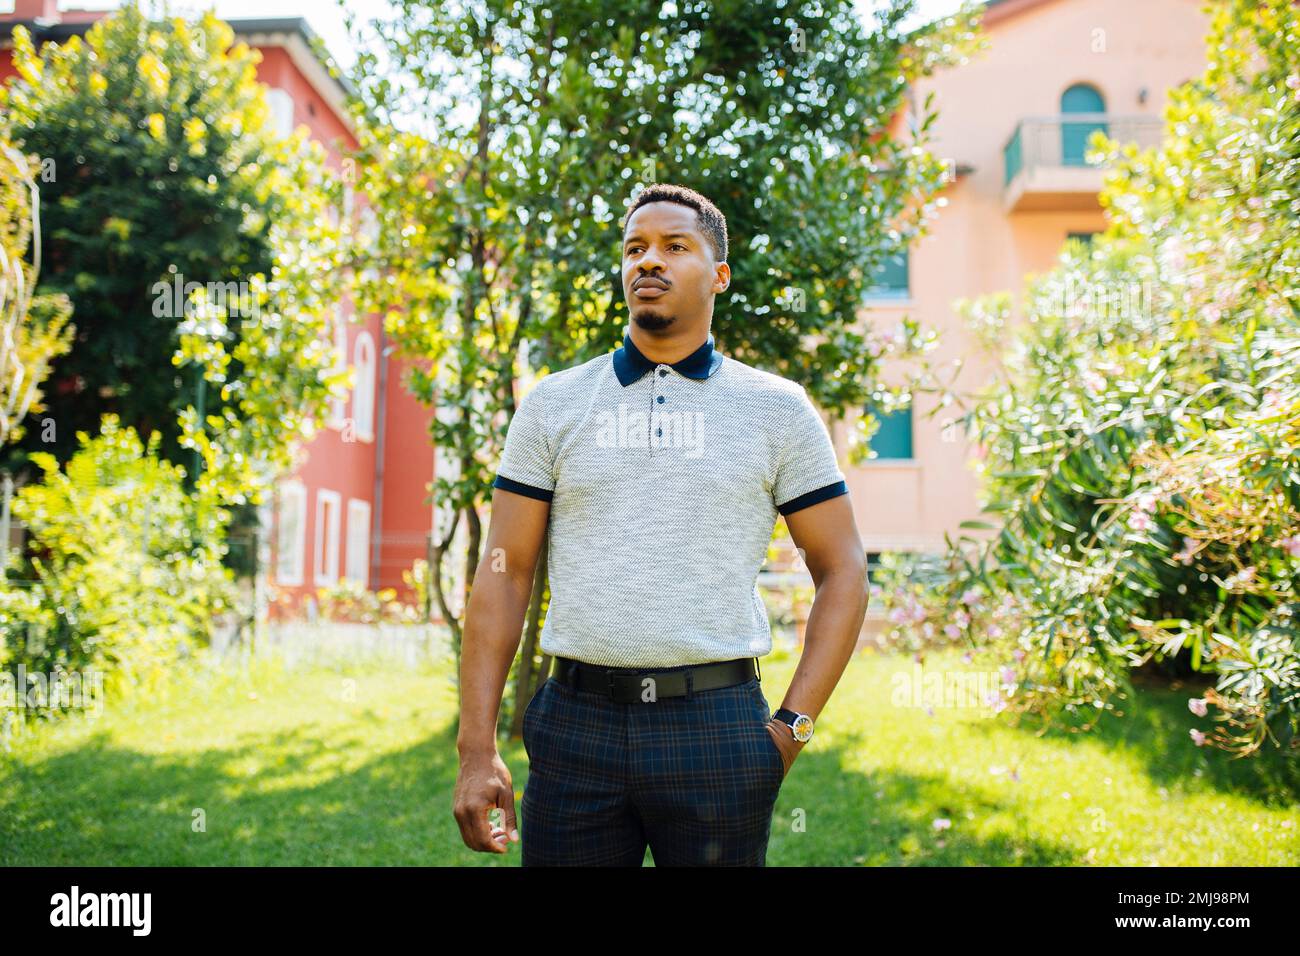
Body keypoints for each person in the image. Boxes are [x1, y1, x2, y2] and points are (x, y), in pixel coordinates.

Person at [452, 182, 870, 866]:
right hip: (575, 726)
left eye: (676, 247)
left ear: (720, 275)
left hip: (718, 729)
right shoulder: (553, 405)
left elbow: (843, 569)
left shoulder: (777, 410)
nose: (650, 261)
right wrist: (477, 749)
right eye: (635, 248)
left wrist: (791, 730)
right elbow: (505, 571)